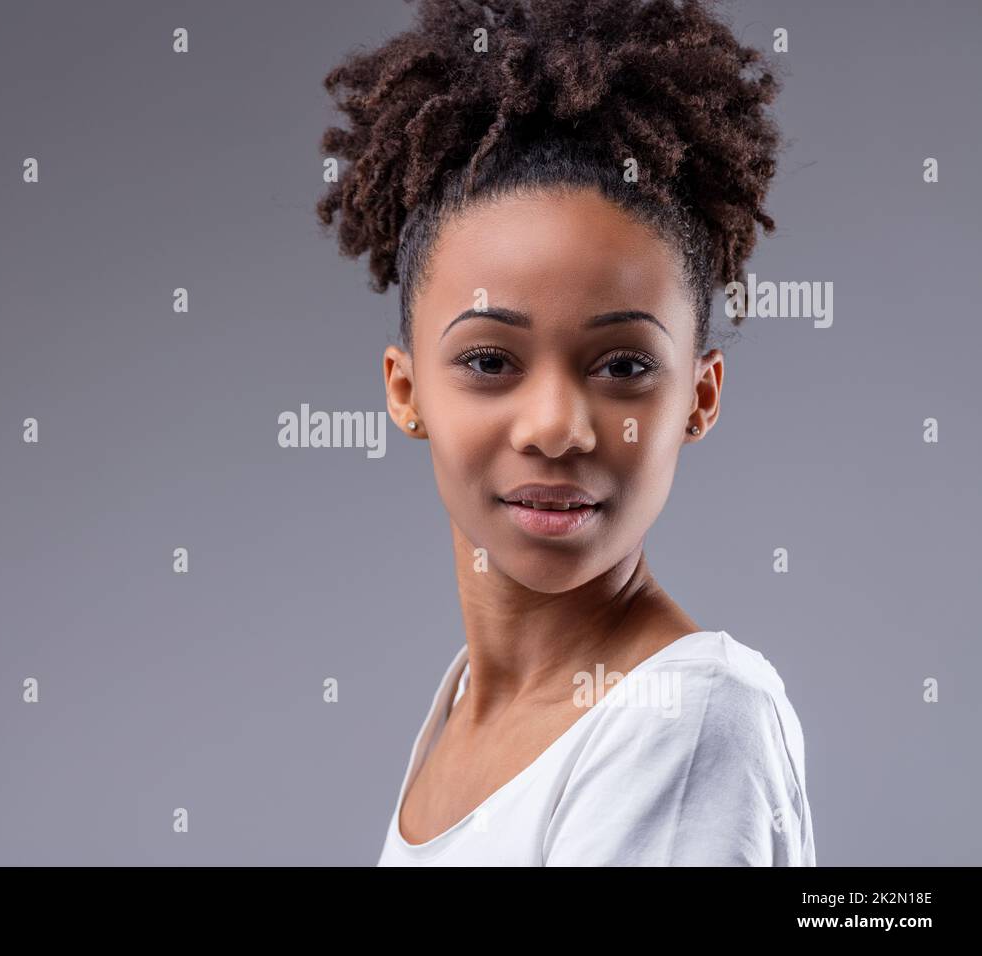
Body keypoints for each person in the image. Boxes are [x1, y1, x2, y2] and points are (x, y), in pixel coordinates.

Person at [315, 0, 815, 865]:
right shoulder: (466, 707)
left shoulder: (689, 718)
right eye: (488, 362)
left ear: (699, 398)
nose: (554, 427)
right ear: (405, 391)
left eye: (622, 365)